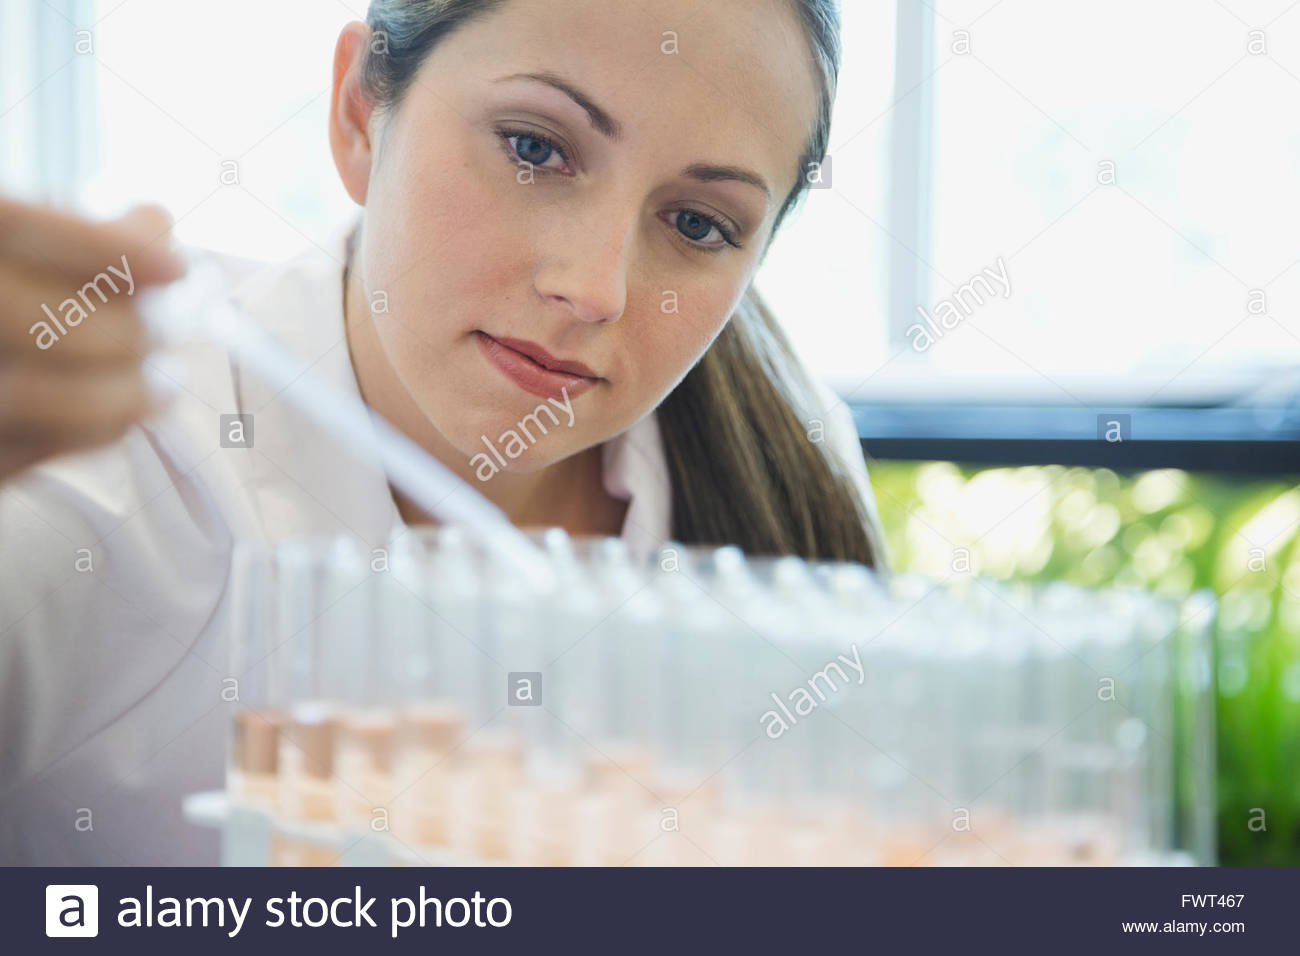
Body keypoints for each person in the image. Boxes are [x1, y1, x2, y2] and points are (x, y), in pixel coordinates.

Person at [0, 0, 885, 864]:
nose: (596, 288)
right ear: (359, 113)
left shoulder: (791, 475)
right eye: (535, 148)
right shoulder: (98, 476)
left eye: (699, 223)